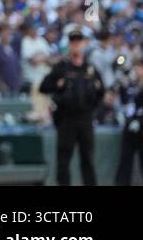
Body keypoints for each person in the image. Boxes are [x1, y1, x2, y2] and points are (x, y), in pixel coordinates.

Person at [40, 26, 106, 186]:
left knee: (88, 159)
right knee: (63, 159)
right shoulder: (61, 67)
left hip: (85, 118)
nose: (76, 45)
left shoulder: (90, 68)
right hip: (66, 118)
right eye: (73, 42)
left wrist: (96, 97)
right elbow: (44, 87)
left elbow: (101, 92)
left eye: (79, 41)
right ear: (69, 44)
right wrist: (58, 85)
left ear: (84, 44)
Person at [116, 60, 143, 185]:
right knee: (125, 158)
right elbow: (125, 101)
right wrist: (123, 85)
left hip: (141, 123)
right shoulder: (131, 84)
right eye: (137, 67)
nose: (138, 70)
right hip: (130, 123)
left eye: (140, 67)